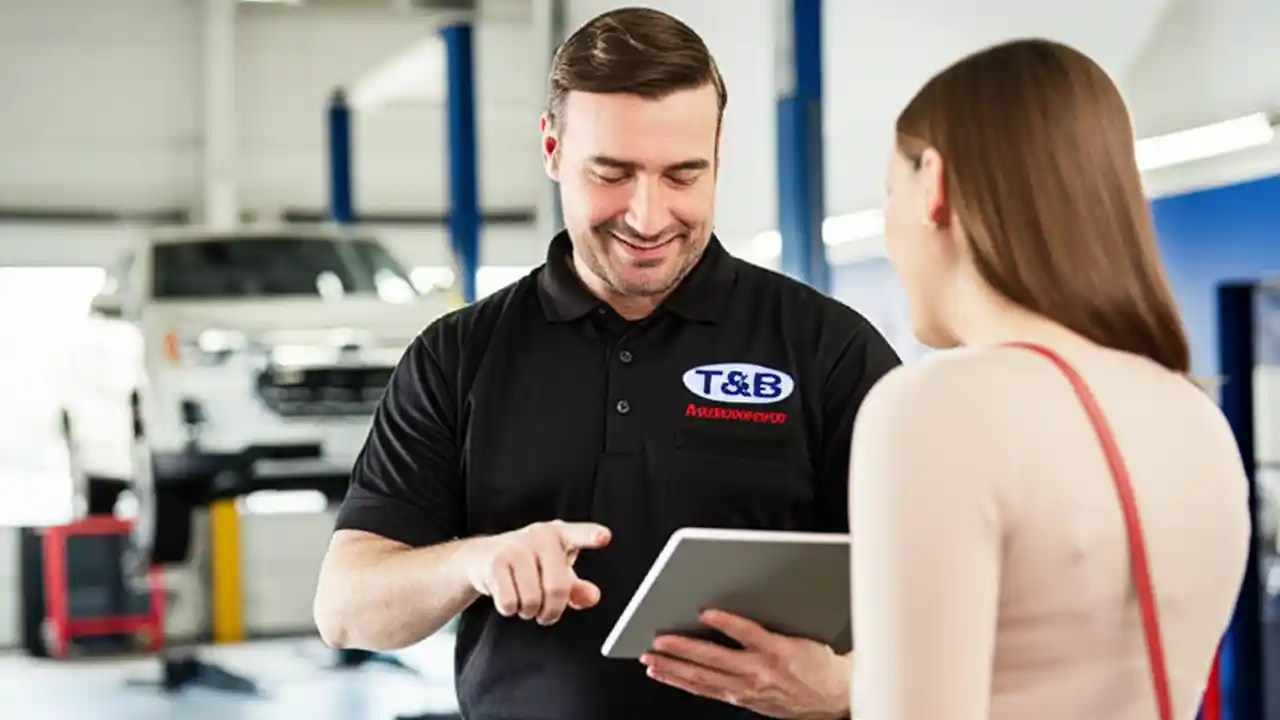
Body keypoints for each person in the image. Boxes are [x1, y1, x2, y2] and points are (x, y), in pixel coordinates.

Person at [312, 7, 899, 720]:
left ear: (719, 150)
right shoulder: (458, 357)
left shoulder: (827, 349)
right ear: (553, 148)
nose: (648, 218)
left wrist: (850, 688)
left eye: (683, 176)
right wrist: (473, 562)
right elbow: (347, 610)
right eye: (612, 174)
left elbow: (948, 591)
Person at [846, 38, 1252, 719]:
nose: (888, 231)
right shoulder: (1196, 416)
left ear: (934, 185)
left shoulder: (934, 407)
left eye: (890, 192)